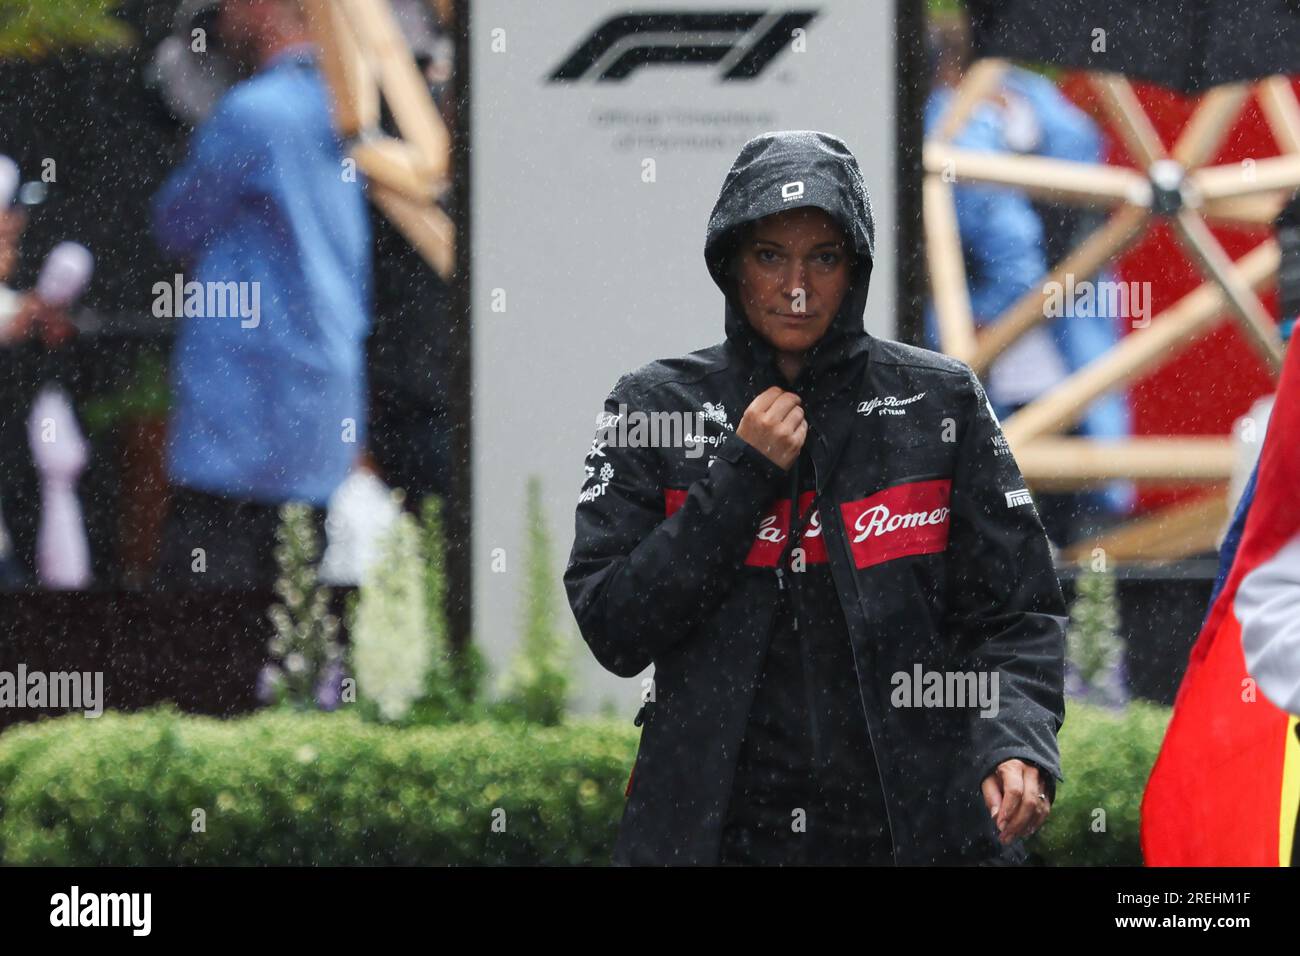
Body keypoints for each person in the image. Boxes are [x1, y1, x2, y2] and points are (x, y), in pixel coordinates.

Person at [564, 130, 1067, 866]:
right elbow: (615, 625)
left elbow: (1017, 613)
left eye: (822, 258)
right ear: (733, 267)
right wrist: (741, 474)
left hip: (916, 834)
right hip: (717, 838)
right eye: (771, 256)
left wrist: (1016, 739)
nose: (797, 287)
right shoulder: (653, 404)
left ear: (854, 269)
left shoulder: (940, 400)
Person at [151, 0, 370, 588]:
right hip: (318, 418)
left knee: (197, 638)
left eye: (223, 6)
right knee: (294, 637)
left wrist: (205, 112)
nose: (216, 22)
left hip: (241, 426)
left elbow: (174, 223)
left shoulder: (250, 113)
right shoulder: (347, 109)